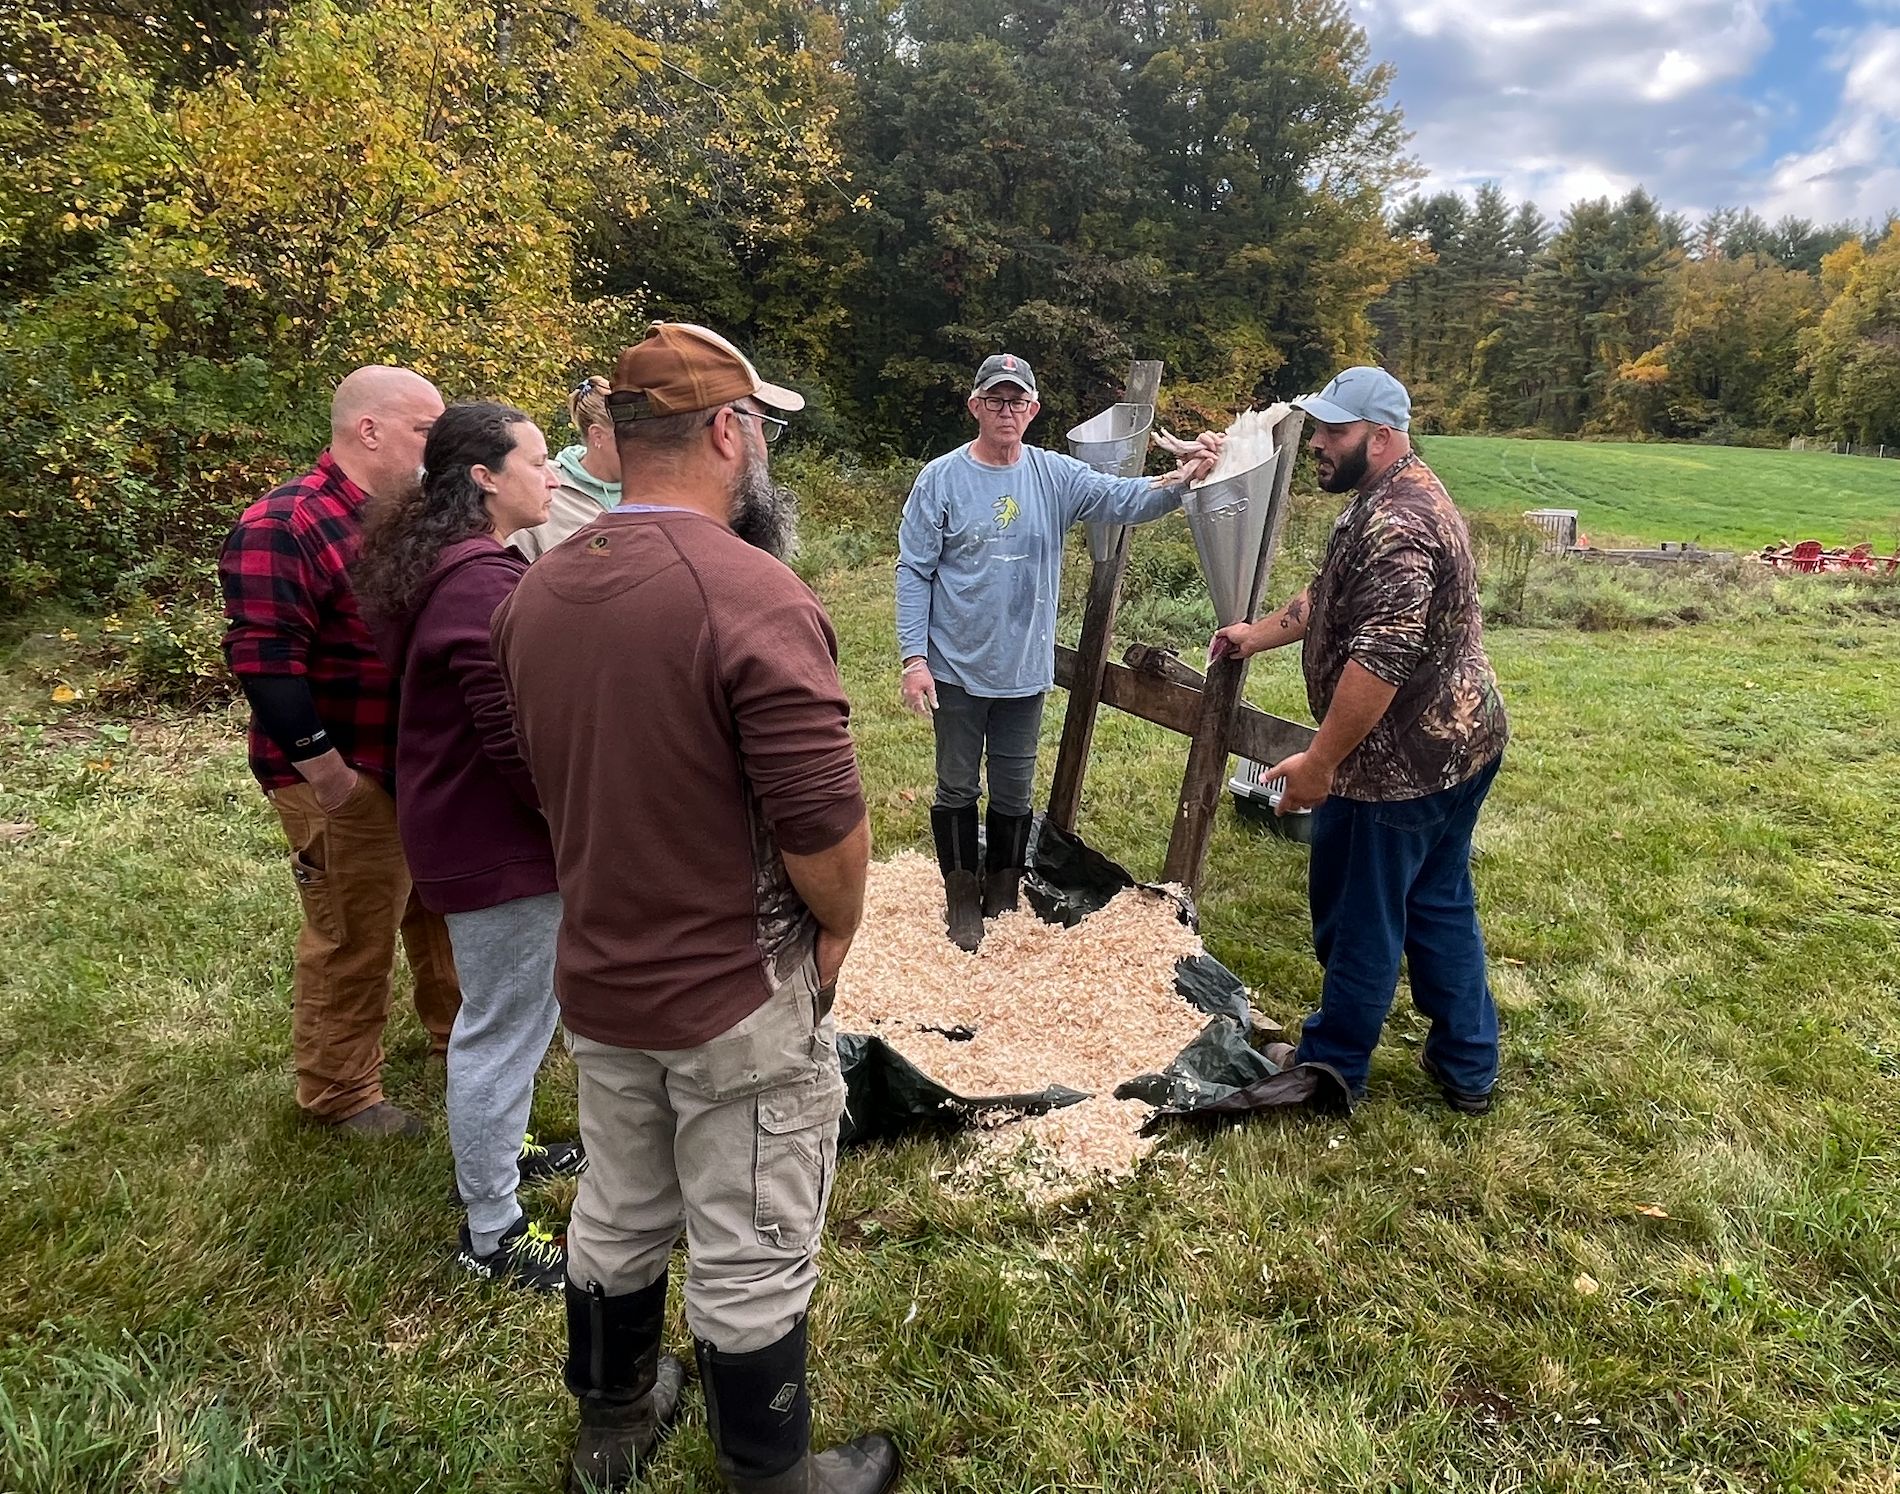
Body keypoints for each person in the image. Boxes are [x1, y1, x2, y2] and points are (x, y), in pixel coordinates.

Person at [494, 322, 898, 1494]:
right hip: (732, 984)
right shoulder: (748, 592)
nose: (757, 444)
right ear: (730, 434)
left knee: (618, 1201)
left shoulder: (536, 590)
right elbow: (822, 825)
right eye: (757, 425)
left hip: (603, 971)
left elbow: (539, 776)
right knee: (752, 1231)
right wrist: (834, 932)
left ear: (618, 437)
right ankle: (771, 1476)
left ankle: (612, 1425)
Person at [1210, 367, 1509, 1113]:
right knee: (1437, 902)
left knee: (1360, 912)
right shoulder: (1390, 496)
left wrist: (1321, 764)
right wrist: (1258, 635)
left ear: (1380, 437)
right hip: (1461, 744)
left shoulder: (1399, 524)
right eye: (1317, 428)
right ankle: (1469, 1068)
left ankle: (1331, 1069)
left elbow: (1382, 658)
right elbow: (1328, 593)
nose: (1317, 443)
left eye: (1333, 433)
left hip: (1401, 766)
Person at [353, 401, 588, 1291]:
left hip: (475, 834)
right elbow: (514, 739)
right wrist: (582, 824)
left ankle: (508, 1145)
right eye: (537, 460)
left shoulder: (457, 566)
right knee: (501, 1027)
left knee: (515, 1018)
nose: (553, 473)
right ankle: (491, 1231)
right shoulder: (480, 586)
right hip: (499, 846)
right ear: (485, 477)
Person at [895, 353, 1220, 951]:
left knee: (1015, 789)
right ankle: (961, 892)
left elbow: (1129, 499)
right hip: (955, 668)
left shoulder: (1056, 477)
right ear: (975, 407)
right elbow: (914, 571)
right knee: (957, 785)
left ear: (1034, 410)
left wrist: (1187, 480)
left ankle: (1002, 888)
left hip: (1023, 670)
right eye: (995, 399)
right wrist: (915, 660)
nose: (1007, 411)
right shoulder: (940, 479)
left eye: (1017, 401)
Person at [219, 366, 461, 1136]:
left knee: (443, 912)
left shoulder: (410, 518)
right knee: (353, 933)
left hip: (417, 764)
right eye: (428, 431)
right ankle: (340, 1092)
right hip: (346, 770)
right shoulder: (285, 522)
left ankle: (459, 1040)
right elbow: (262, 657)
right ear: (370, 430)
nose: (440, 447)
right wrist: (326, 774)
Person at [509, 374, 622, 559]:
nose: (645, 448)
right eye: (631, 438)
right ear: (598, 436)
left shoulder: (659, 488)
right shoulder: (543, 490)